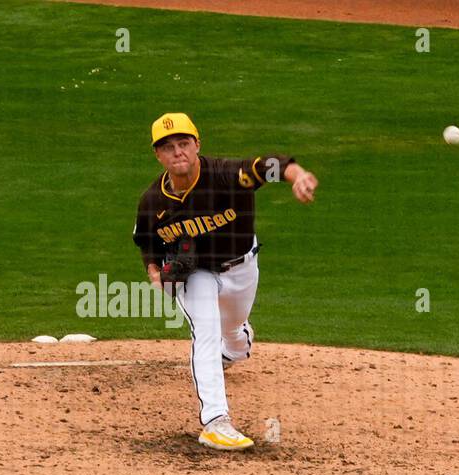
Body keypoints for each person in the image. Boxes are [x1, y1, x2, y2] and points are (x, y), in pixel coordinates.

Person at [132, 112, 319, 449]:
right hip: (197, 274)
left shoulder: (226, 175)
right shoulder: (152, 202)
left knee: (232, 331)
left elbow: (268, 166)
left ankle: (233, 348)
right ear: (157, 155)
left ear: (197, 144)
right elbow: (147, 240)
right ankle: (216, 422)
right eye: (168, 146)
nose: (177, 152)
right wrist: (154, 272)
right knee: (204, 330)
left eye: (184, 143)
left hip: (242, 268)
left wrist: (298, 175)